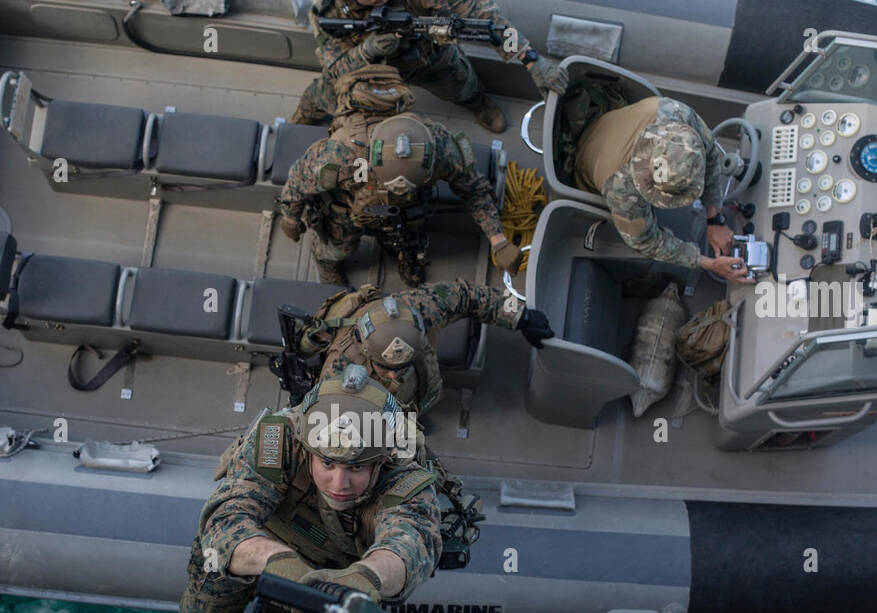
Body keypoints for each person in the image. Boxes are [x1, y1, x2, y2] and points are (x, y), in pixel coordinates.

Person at [178, 364, 442, 613]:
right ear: (308, 449)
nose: (339, 483)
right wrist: (278, 561)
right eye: (327, 463)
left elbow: (410, 544)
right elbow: (225, 520)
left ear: (380, 461)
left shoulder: (402, 474)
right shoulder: (282, 439)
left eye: (355, 468)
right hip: (263, 545)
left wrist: (366, 577)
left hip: (340, 573)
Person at [278, 69, 523, 286]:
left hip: (408, 208)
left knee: (408, 239)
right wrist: (290, 218)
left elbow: (475, 189)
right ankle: (328, 264)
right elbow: (299, 179)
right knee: (336, 248)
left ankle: (401, 252)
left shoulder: (441, 145)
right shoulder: (340, 153)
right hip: (349, 209)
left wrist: (497, 239)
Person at [293, 0, 569, 133]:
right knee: (328, 97)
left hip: (427, 56)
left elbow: (487, 18)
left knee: (462, 84)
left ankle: (476, 103)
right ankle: (304, 117)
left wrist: (531, 60)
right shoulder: (327, 12)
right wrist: (368, 51)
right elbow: (334, 70)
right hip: (369, 74)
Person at [298, 279, 553, 415]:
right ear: (366, 353)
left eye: (401, 367)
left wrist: (520, 316)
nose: (395, 374)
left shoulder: (417, 310)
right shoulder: (338, 373)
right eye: (386, 368)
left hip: (415, 394)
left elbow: (467, 296)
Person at [573, 97, 754, 284]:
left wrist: (714, 218)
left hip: (608, 125)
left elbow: (711, 156)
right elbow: (647, 241)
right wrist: (706, 262)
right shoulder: (621, 190)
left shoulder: (677, 115)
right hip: (586, 163)